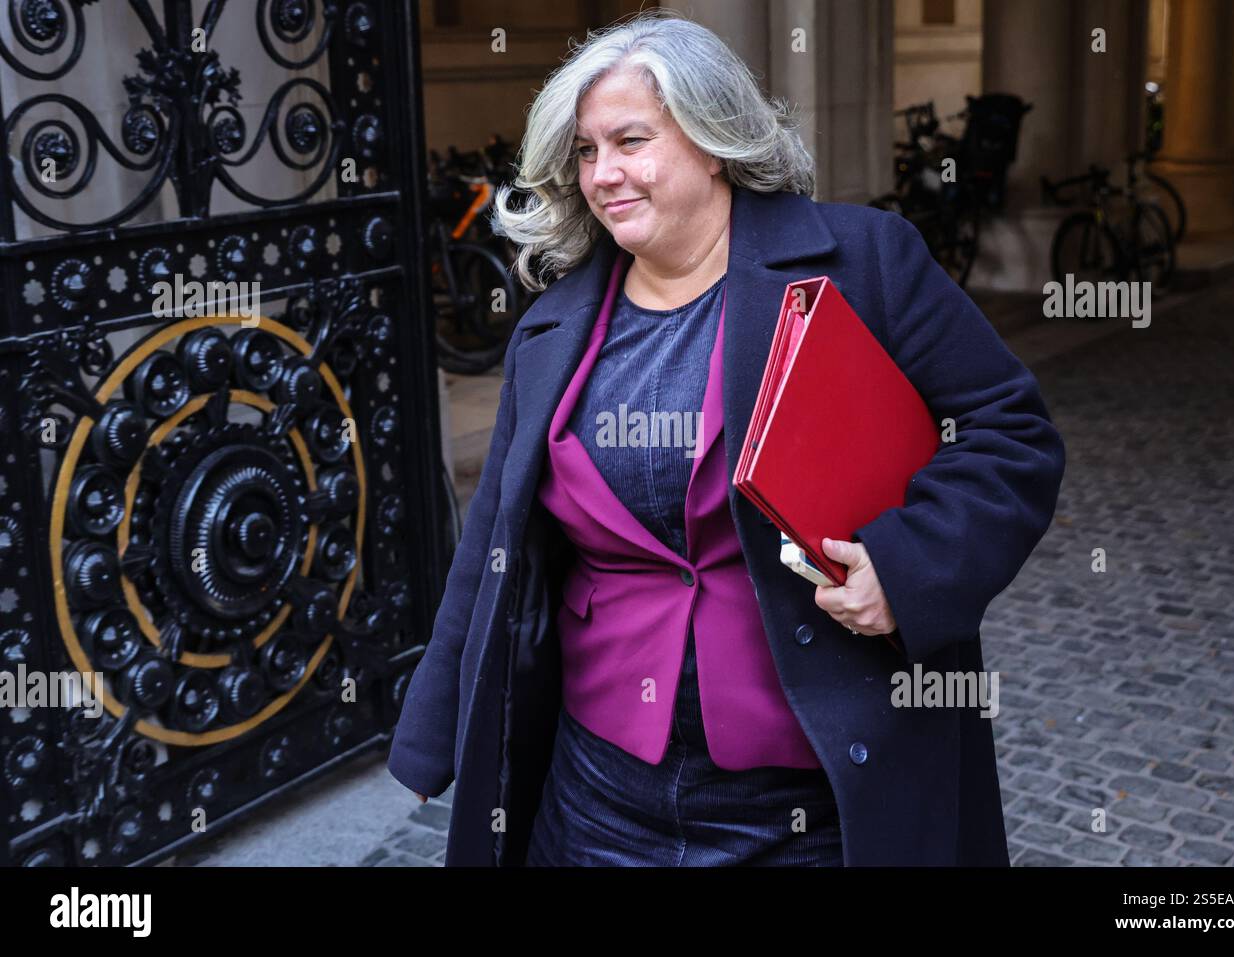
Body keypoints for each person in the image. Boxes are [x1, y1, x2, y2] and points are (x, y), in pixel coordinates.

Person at [388, 8, 1066, 866]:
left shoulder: (865, 263)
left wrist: (908, 566)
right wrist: (433, 731)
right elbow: (492, 543)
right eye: (588, 153)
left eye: (630, 141)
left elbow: (1011, 433)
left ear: (712, 141)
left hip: (807, 803)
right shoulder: (553, 330)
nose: (604, 174)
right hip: (598, 797)